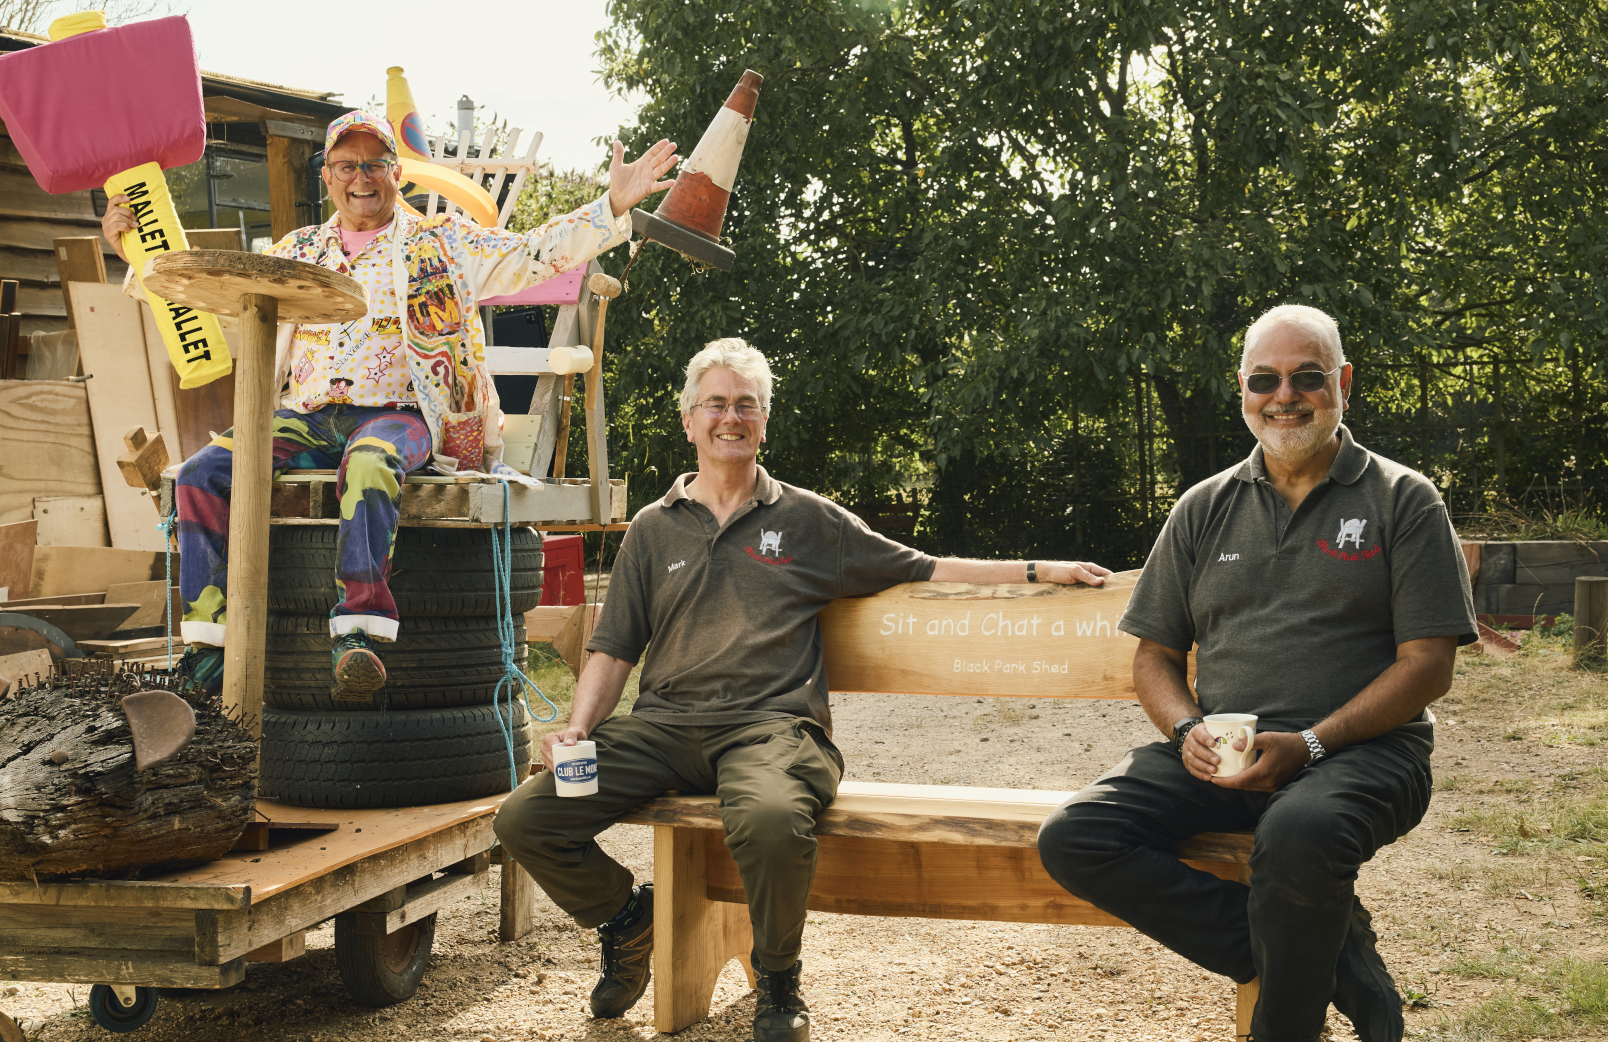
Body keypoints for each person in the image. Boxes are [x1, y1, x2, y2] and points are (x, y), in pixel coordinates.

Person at [493, 339, 1111, 1042]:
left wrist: (1037, 570)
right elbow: (613, 649)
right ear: (690, 421)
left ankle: (778, 980)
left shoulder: (809, 521)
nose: (732, 417)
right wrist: (577, 728)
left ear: (763, 423)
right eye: (717, 404)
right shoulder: (652, 527)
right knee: (525, 820)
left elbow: (927, 567)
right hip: (663, 727)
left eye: (746, 405)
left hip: (771, 729)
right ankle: (630, 920)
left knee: (769, 817)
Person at [101, 111, 677, 699]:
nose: (362, 178)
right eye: (347, 165)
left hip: (401, 413)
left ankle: (359, 635)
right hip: (306, 418)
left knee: (371, 460)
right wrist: (133, 255)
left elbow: (533, 253)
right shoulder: (299, 251)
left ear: (396, 172)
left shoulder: (440, 241)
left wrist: (610, 207)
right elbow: (209, 298)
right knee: (201, 474)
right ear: (327, 176)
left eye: (374, 164)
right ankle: (210, 650)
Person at [1036, 304, 1477, 1042]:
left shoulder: (1404, 499)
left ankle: (1289, 1021)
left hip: (1367, 755)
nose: (1285, 395)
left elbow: (1428, 665)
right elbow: (1154, 655)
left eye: (1307, 377)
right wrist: (1187, 730)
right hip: (1226, 751)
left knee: (1301, 832)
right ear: (1242, 390)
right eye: (1264, 379)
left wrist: (1308, 745)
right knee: (1076, 836)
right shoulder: (1203, 507)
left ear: (1342, 383)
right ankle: (1333, 957)